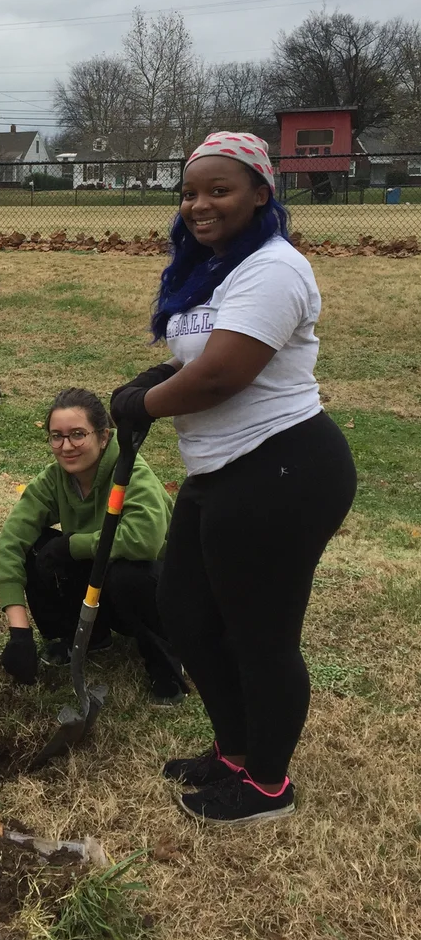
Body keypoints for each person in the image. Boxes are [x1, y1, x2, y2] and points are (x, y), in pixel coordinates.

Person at [111, 131, 357, 825]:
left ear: (259, 193)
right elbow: (201, 355)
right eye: (190, 192)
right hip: (221, 467)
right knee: (186, 613)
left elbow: (222, 374)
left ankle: (267, 785)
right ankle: (235, 751)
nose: (200, 204)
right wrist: (157, 376)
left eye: (219, 190)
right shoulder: (218, 266)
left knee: (259, 634)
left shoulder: (275, 267)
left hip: (282, 468)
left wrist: (144, 405)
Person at [0, 388, 185, 703]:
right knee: (37, 548)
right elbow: (9, 544)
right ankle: (86, 637)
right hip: (101, 587)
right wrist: (19, 632)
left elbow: (143, 540)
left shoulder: (131, 472)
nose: (66, 446)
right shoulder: (54, 479)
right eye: (57, 436)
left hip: (157, 591)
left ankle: (166, 665)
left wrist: (73, 545)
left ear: (104, 436)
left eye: (78, 434)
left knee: (126, 573)